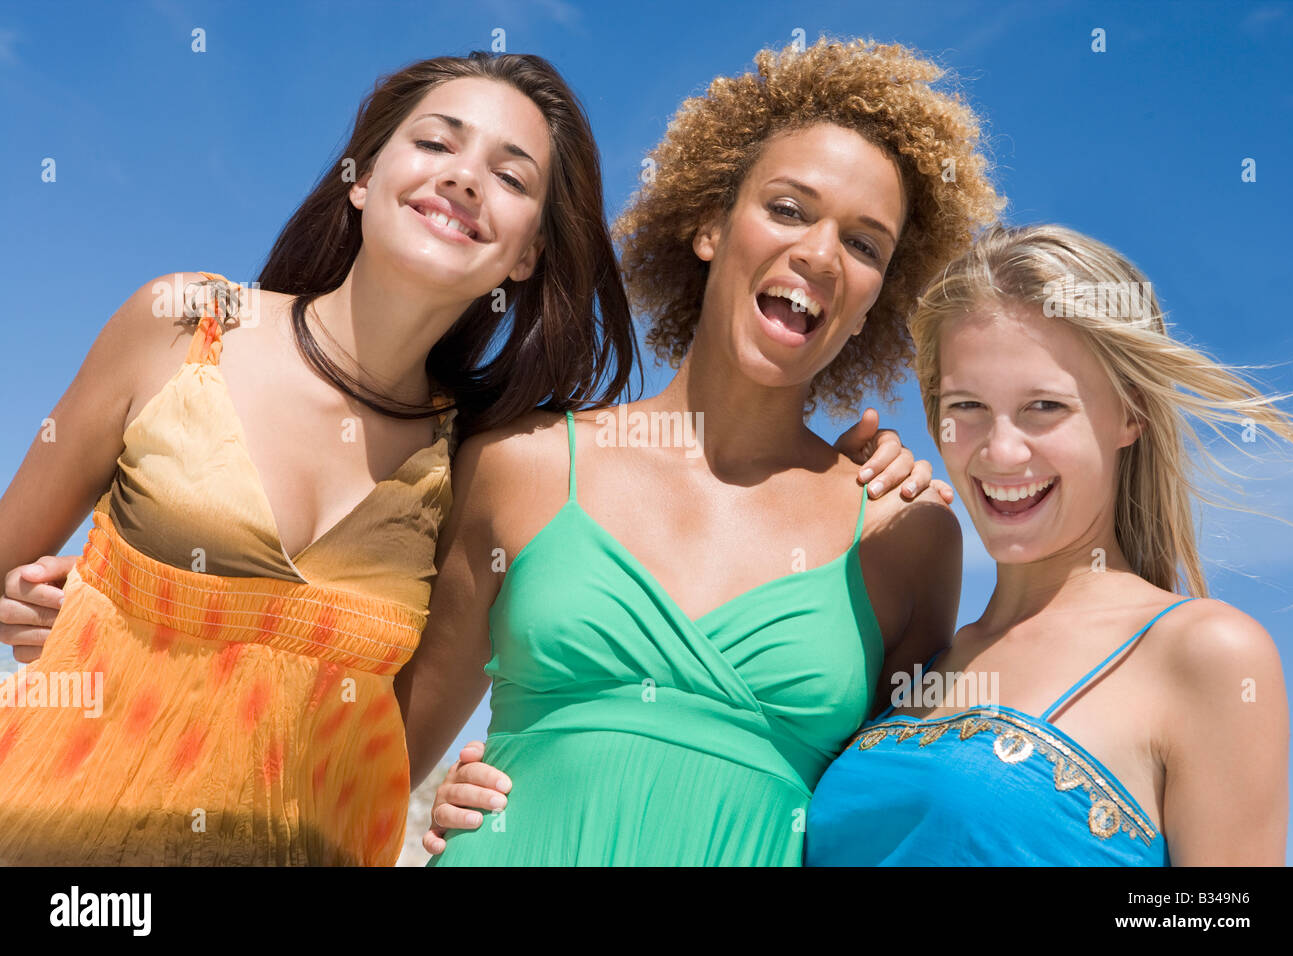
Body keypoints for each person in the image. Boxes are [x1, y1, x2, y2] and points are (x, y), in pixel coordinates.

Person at [0, 51, 640, 865]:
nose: (466, 179)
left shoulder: (482, 472)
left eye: (511, 179)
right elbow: (7, 564)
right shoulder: (186, 322)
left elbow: (397, 760)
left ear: (525, 258)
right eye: (437, 144)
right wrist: (23, 603)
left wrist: (849, 474)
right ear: (363, 178)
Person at [410, 37, 1004, 865]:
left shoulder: (907, 538)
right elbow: (383, 758)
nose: (822, 255)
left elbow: (882, 823)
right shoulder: (522, 463)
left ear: (878, 302)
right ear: (708, 227)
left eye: (865, 245)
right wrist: (443, 795)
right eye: (789, 209)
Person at [803, 224, 1293, 866]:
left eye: (1043, 407)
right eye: (968, 405)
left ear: (1130, 412)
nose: (1001, 452)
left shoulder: (1206, 654)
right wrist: (822, 511)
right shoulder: (920, 659)